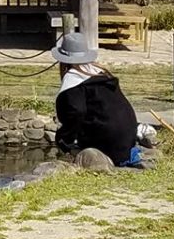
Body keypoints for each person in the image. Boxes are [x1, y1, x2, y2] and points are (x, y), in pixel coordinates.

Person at [52, 32, 145, 168]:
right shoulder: (102, 74)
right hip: (127, 136)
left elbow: (76, 113)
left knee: (65, 139)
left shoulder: (73, 81)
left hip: (109, 142)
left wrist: (63, 138)